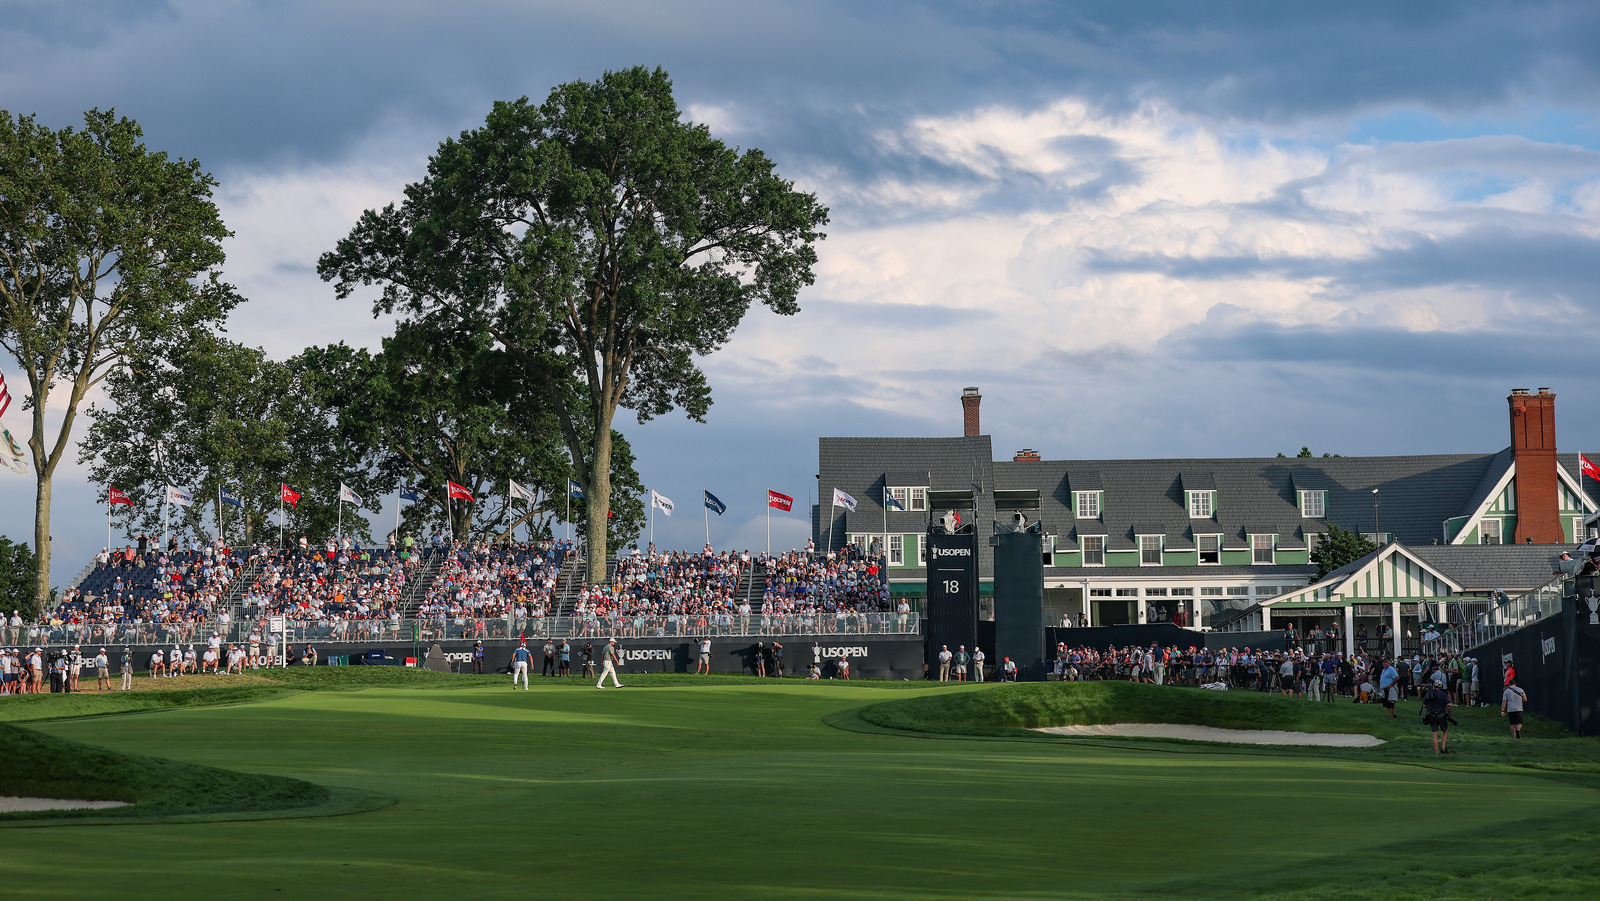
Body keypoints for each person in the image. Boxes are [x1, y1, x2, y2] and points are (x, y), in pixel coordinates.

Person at [1423, 679, 1453, 754]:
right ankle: (1443, 747)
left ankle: (1436, 752)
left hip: (1432, 715)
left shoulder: (1429, 694)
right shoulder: (1443, 694)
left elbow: (1424, 705)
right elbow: (1449, 704)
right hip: (1441, 715)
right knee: (1445, 731)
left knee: (1434, 734)